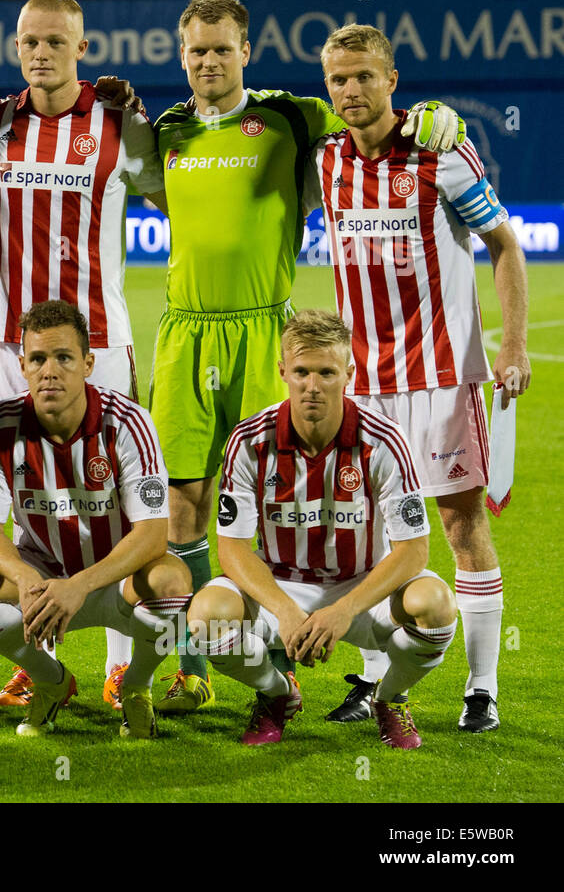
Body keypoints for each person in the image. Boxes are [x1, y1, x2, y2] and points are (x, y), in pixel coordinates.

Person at [148, 0, 463, 715]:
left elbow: (371, 113)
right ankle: (193, 670)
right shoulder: (165, 129)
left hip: (265, 329)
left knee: (282, 489)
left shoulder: (294, 116)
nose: (208, 61)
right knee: (183, 503)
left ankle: (289, 642)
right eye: (196, 50)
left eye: (222, 49)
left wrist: (438, 114)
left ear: (246, 52)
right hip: (184, 334)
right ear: (182, 55)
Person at [0, 0, 169, 711]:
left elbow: (169, 193)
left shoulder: (119, 123)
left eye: (55, 41)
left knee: (114, 496)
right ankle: (37, 660)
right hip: (12, 342)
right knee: (21, 495)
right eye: (30, 42)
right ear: (16, 48)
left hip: (100, 341)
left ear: (82, 49)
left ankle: (119, 666)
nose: (41, 53)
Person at [309, 24, 529, 732]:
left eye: (364, 76)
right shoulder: (325, 159)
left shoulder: (442, 152)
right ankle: (374, 679)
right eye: (338, 78)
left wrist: (514, 346)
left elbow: (504, 245)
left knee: (462, 526)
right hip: (360, 386)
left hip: (442, 376)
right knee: (364, 534)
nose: (351, 89)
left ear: (392, 80)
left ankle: (482, 687)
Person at [187, 309, 458, 749]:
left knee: (436, 604)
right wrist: (284, 610)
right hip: (281, 584)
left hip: (363, 587)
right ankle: (277, 694)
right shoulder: (250, 440)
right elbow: (232, 549)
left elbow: (413, 550)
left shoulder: (383, 440)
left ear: (348, 373)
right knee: (205, 617)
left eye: (326, 372)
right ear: (283, 372)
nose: (312, 386)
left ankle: (390, 697)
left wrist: (344, 610)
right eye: (302, 372)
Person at [0, 300, 193, 737]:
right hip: (41, 581)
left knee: (172, 581)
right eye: (38, 359)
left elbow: (153, 535)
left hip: (114, 582)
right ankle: (50, 680)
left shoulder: (128, 421)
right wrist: (25, 579)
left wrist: (79, 585)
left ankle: (136, 685)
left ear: (88, 364)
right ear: (22, 366)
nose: (50, 371)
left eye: (64, 358)